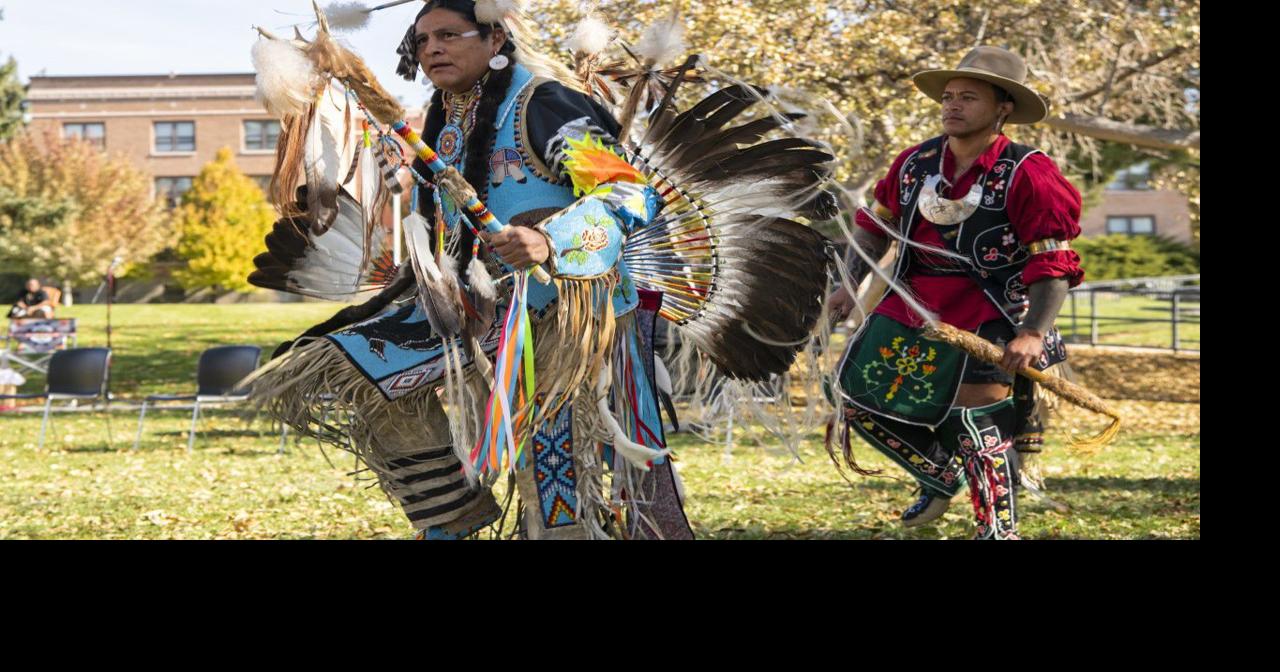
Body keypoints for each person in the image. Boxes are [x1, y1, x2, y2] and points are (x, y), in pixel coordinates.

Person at [827, 46, 1084, 540]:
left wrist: (1033, 331)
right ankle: (939, 473)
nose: (953, 105)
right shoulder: (914, 162)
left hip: (994, 309)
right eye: (948, 96)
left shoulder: (1028, 172)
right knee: (850, 396)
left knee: (975, 420)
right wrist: (848, 283)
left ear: (1003, 107)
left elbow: (1052, 262)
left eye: (968, 97)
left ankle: (997, 530)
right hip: (913, 304)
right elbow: (874, 228)